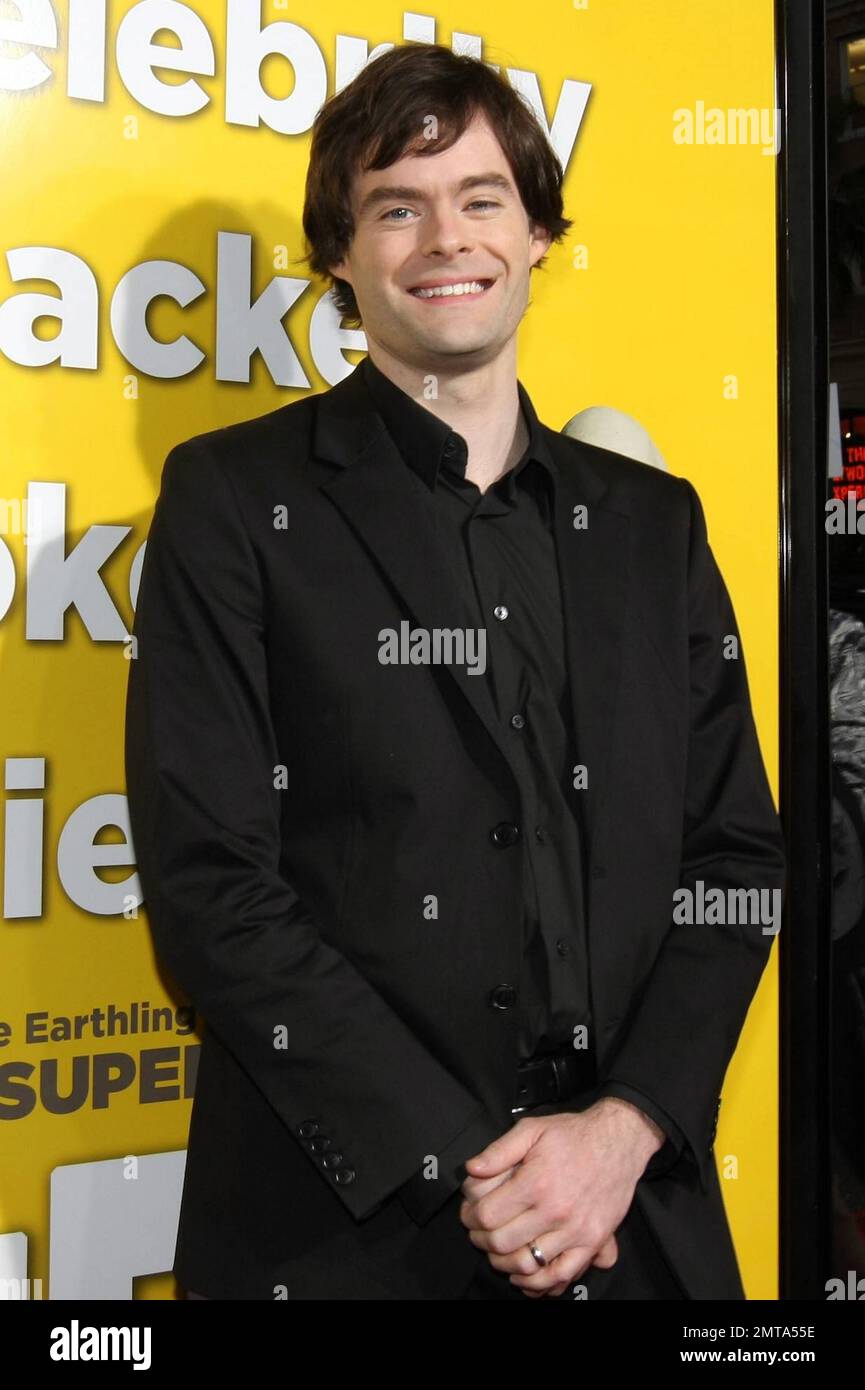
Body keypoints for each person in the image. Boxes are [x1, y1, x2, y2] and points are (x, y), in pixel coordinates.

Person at [124, 42, 787, 1301]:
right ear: (339, 253)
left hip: (634, 1221)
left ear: (538, 231)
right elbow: (213, 889)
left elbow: (734, 861)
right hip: (354, 1233)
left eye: (482, 197)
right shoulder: (233, 501)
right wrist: (485, 1172)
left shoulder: (654, 523)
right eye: (396, 205)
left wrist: (625, 1126)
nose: (446, 236)